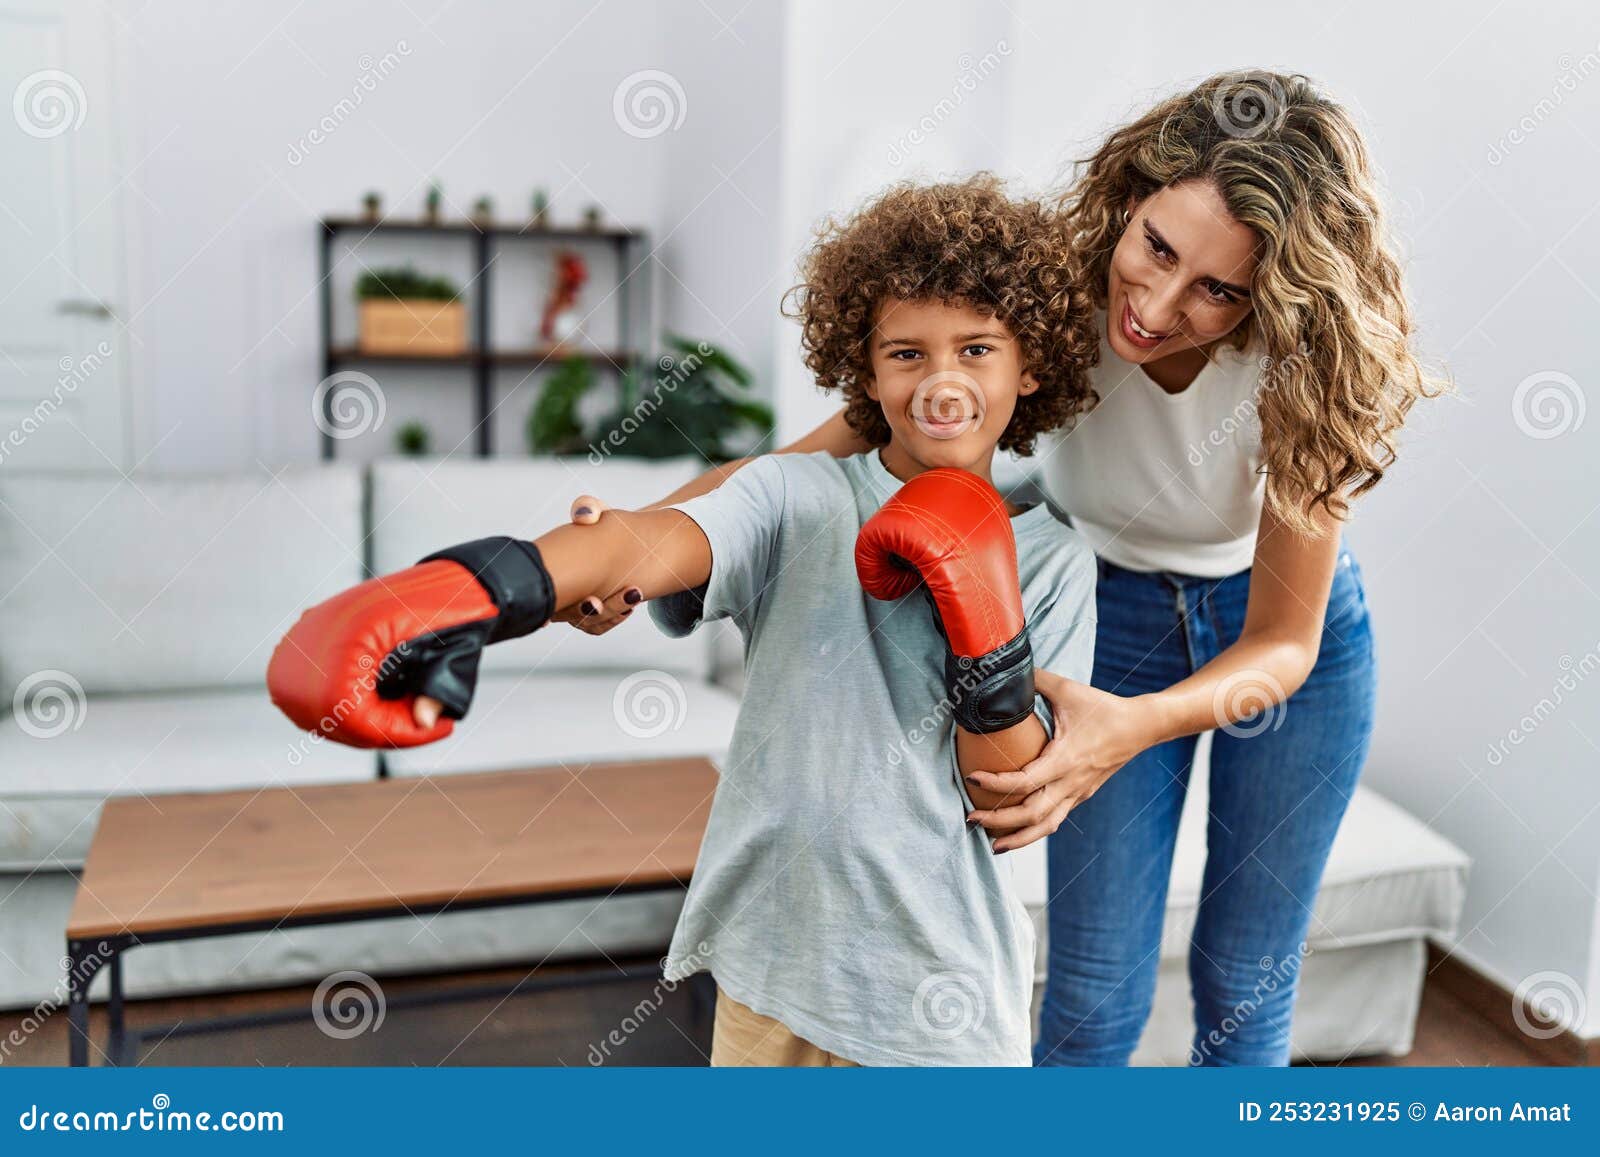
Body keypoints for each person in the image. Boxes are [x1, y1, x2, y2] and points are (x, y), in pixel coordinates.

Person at [558, 71, 1444, 1066]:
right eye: (1153, 246)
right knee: (1093, 995)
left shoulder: (1303, 366)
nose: (1152, 305)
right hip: (1114, 617)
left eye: (1217, 290)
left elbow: (1285, 641)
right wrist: (637, 541)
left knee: (1245, 983)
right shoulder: (1048, 296)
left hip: (1283, 646)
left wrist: (1136, 726)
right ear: (1131, 194)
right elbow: (811, 457)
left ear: (1275, 292)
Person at [268, 177, 1100, 1066]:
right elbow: (644, 543)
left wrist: (990, 633)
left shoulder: (1054, 557)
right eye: (906, 352)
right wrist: (478, 588)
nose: (941, 381)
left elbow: (1006, 792)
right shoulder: (798, 496)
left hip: (942, 1005)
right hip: (767, 971)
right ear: (863, 367)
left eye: (977, 349)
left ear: (1031, 364)